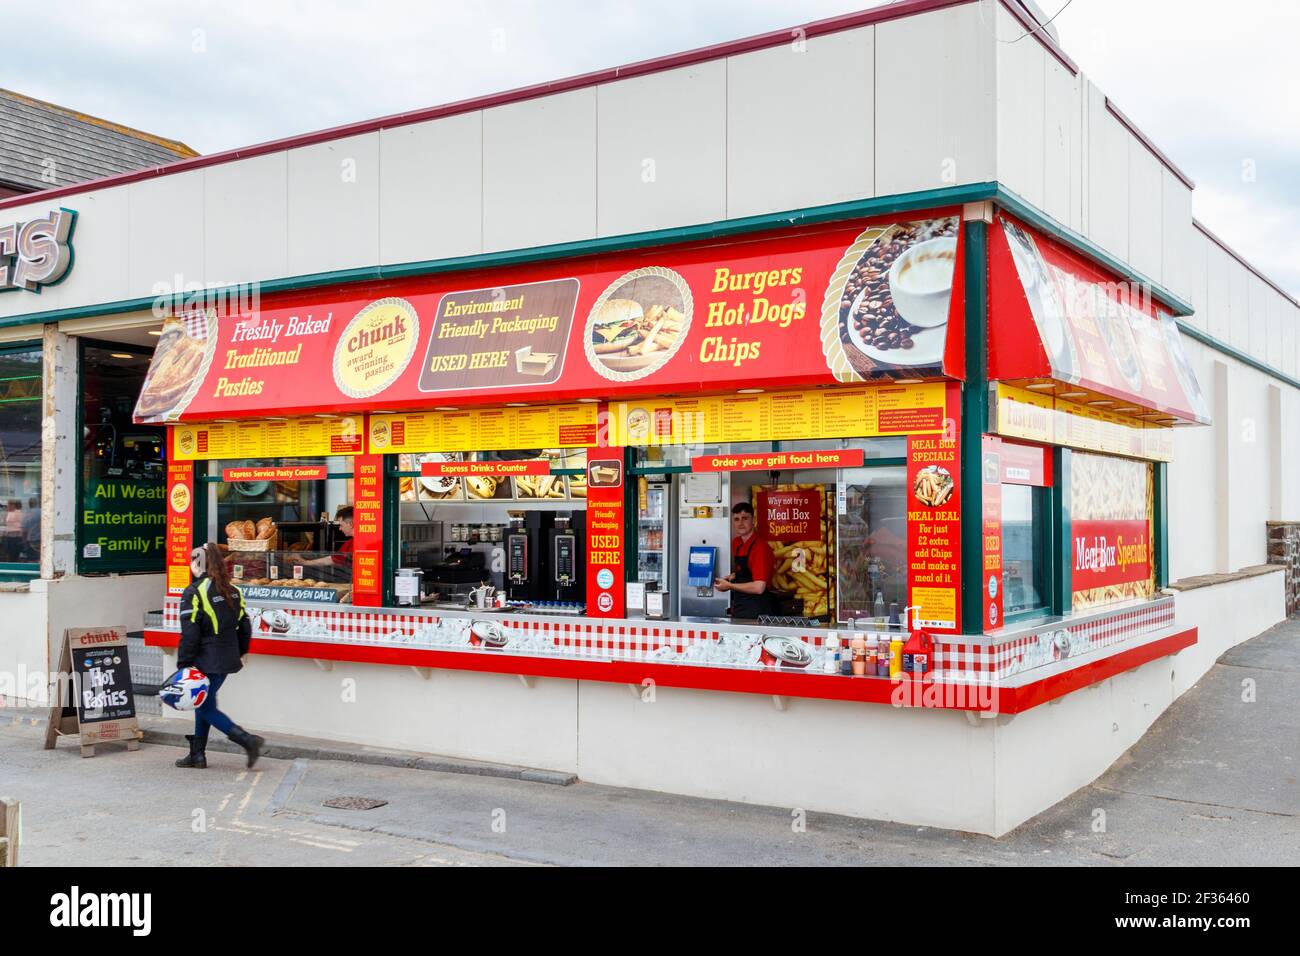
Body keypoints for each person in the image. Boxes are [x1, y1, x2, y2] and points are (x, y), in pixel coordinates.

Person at [175, 542, 265, 770]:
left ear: (197, 563)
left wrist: (184, 665)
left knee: (205, 707)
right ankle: (197, 755)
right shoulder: (233, 590)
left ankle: (248, 740)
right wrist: (241, 652)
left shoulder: (194, 591)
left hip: (205, 659)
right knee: (204, 703)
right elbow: (245, 627)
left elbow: (190, 633)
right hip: (227, 658)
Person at [714, 501, 775, 620]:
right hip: (740, 607)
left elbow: (759, 587)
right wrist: (733, 576)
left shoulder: (760, 548)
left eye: (745, 518)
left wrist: (730, 586)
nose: (740, 523)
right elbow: (747, 570)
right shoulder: (736, 543)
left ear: (753, 521)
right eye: (736, 519)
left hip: (757, 611)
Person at [301, 505, 353, 580]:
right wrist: (305, 562)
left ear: (351, 524)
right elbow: (332, 559)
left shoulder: (365, 543)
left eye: (341, 525)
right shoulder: (349, 543)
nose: (340, 529)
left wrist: (305, 562)